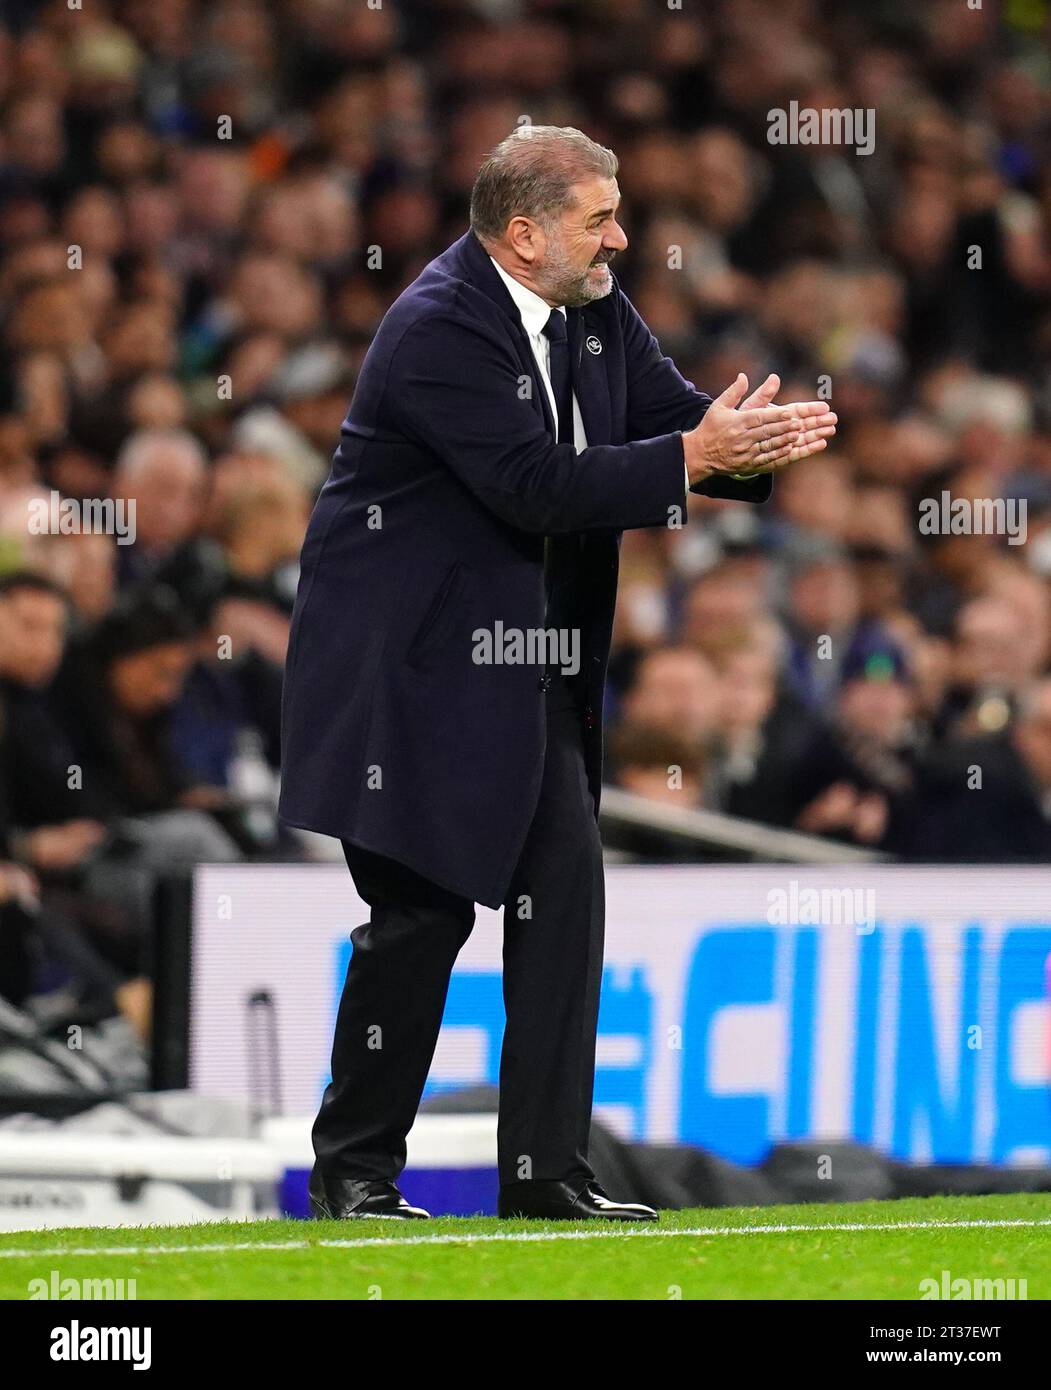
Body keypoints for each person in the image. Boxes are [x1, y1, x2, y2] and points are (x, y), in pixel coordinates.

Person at [279, 126, 836, 1221]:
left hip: (533, 666)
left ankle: (546, 1176)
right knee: (420, 920)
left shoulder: (591, 311)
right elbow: (534, 485)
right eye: (600, 218)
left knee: (563, 903)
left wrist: (746, 447)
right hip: (410, 673)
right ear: (524, 235)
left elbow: (671, 423)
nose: (622, 236)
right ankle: (353, 1173)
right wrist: (692, 460)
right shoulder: (436, 326)